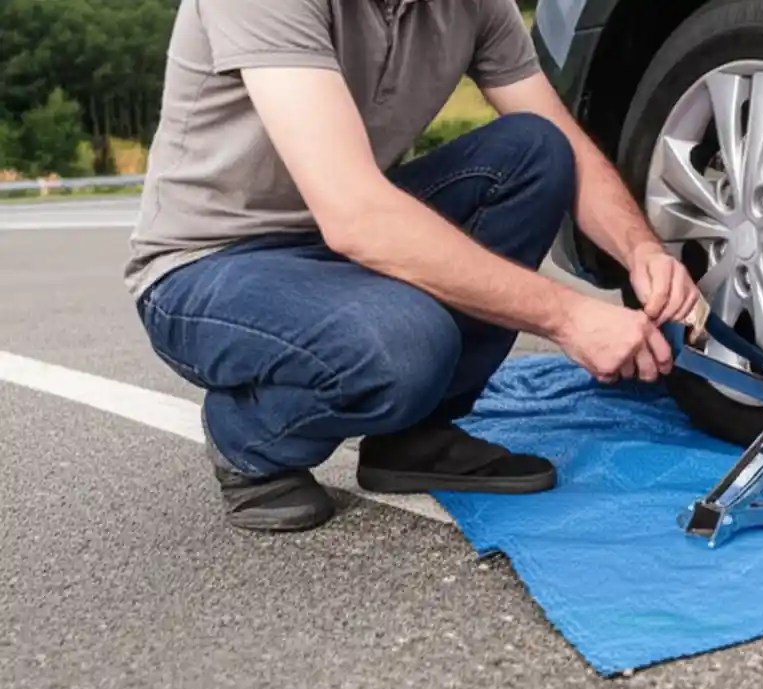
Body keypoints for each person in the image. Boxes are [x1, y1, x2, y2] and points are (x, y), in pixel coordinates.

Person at [126, 0, 701, 532]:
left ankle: (415, 435)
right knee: (403, 343)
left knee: (537, 152)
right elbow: (356, 216)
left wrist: (642, 251)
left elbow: (564, 142)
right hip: (211, 262)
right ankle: (249, 438)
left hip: (340, 236)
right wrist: (570, 317)